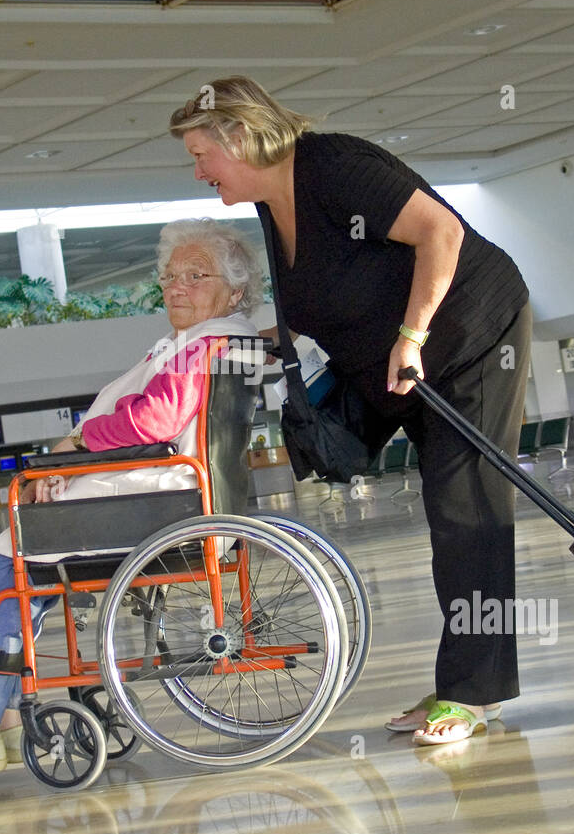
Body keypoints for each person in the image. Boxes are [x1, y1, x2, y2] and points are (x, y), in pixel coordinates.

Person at [170, 76, 531, 745]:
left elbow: (443, 233)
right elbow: (323, 306)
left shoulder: (333, 166)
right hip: (387, 358)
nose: (197, 172)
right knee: (418, 495)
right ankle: (467, 680)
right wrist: (237, 342)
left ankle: (473, 694)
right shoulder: (271, 206)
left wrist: (414, 334)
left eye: (201, 155)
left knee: (466, 508)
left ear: (241, 139)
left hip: (468, 338)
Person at [0, 219, 262, 774]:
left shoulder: (201, 345)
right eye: (168, 277)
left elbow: (155, 419)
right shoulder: (227, 341)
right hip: (170, 495)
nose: (176, 287)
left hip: (150, 500)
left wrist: (76, 444)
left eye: (195, 275)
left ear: (234, 291)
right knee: (10, 574)